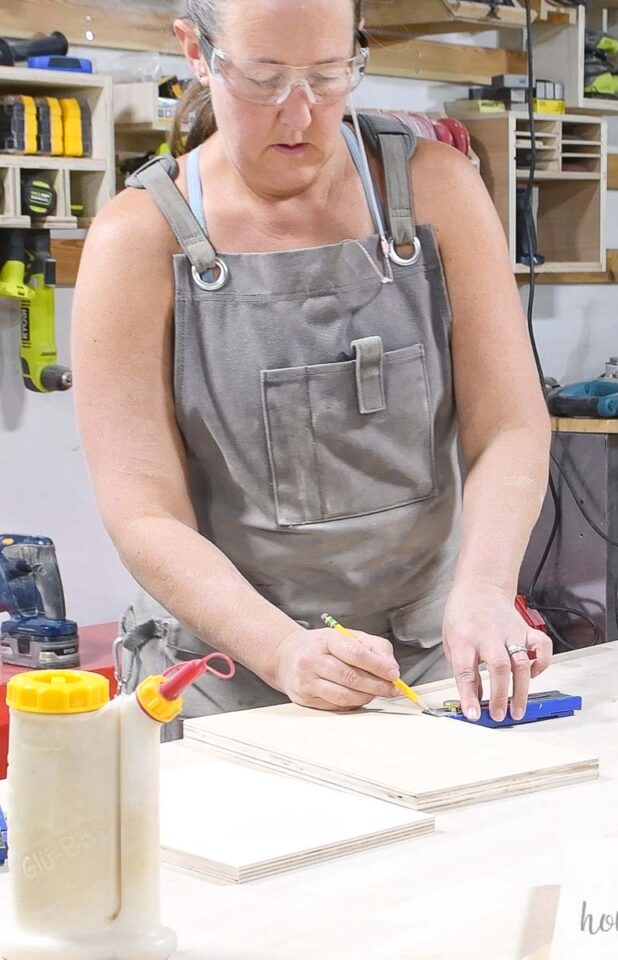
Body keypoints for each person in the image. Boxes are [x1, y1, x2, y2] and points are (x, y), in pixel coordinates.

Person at [72, 0, 551, 732]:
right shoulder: (135, 240)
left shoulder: (437, 189)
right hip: (225, 679)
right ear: (196, 52)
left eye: (329, 77)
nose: (298, 116)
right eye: (263, 79)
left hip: (427, 662)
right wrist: (282, 649)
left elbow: (511, 426)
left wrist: (485, 590)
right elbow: (144, 512)